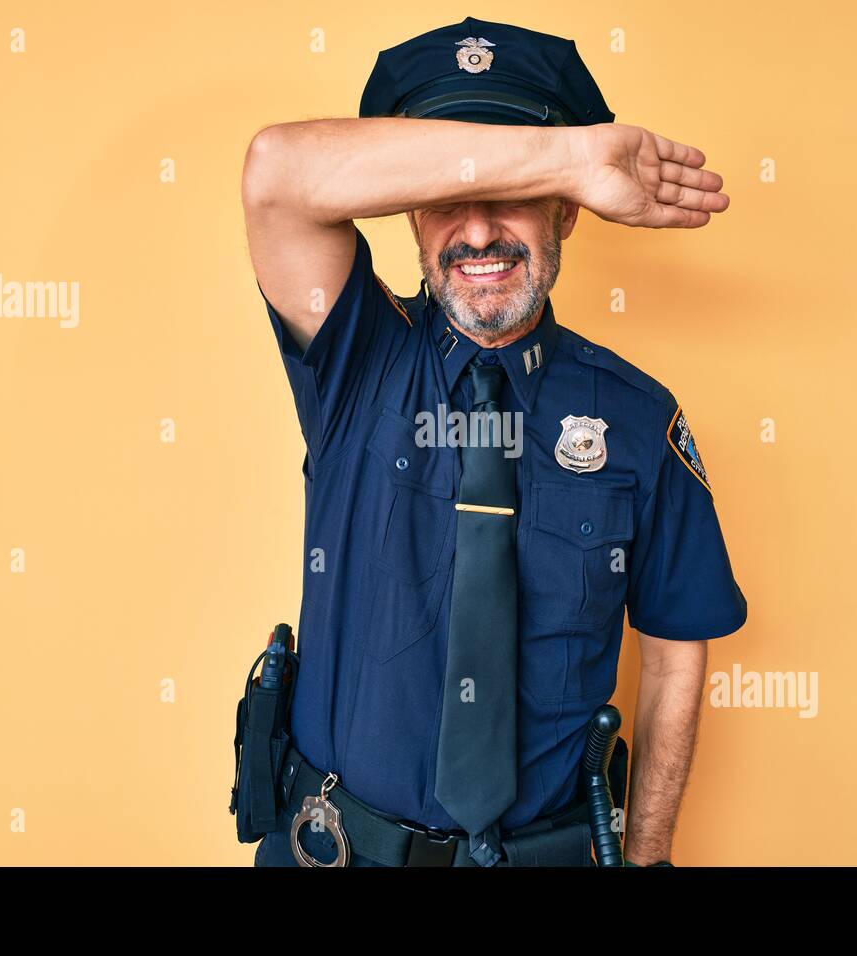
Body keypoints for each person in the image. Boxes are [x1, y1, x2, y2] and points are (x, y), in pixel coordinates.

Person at [241, 16, 746, 867]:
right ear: (406, 215)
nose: (476, 233)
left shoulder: (637, 419)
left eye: (513, 193)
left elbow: (673, 652)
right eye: (445, 197)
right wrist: (571, 159)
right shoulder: (353, 356)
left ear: (567, 215)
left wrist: (650, 858)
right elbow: (275, 174)